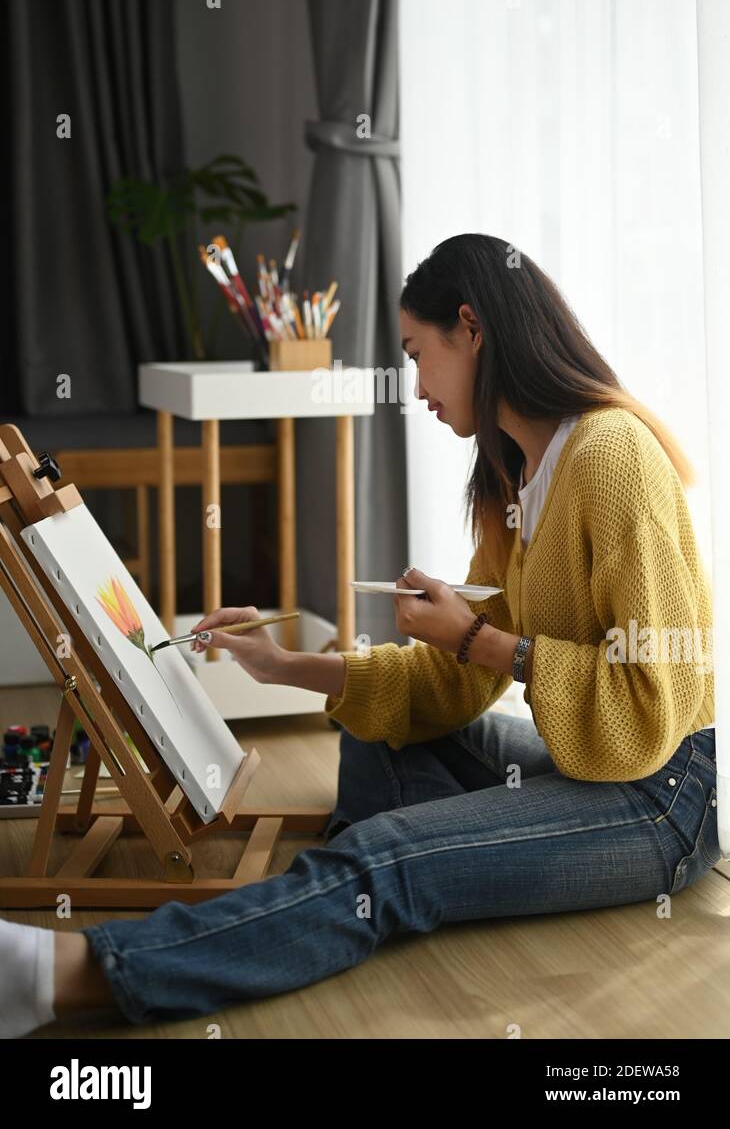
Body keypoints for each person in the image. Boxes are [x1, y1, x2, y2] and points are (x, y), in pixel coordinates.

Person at [0, 233, 718, 1038]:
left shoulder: (612, 457)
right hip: (589, 764)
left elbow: (653, 707)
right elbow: (452, 690)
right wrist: (285, 666)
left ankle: (64, 975)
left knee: (386, 856)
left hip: (661, 797)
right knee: (375, 729)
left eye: (418, 354)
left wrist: (482, 641)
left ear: (472, 329)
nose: (415, 387)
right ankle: (359, 893)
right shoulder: (515, 476)